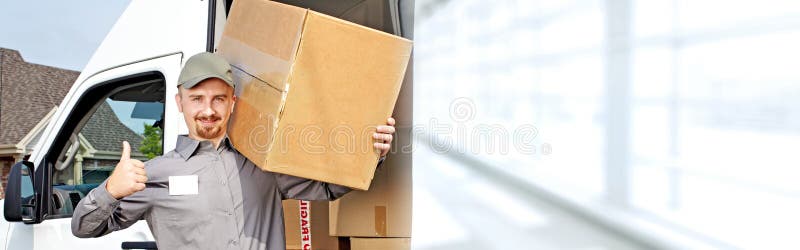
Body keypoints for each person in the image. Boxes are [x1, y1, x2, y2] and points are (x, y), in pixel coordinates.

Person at [71, 52, 396, 250]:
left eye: (219, 99)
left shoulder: (263, 164)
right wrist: (110, 190)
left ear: (232, 104)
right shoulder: (154, 174)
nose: (208, 110)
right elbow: (84, 227)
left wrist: (372, 152)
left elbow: (328, 187)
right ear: (179, 103)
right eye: (197, 98)